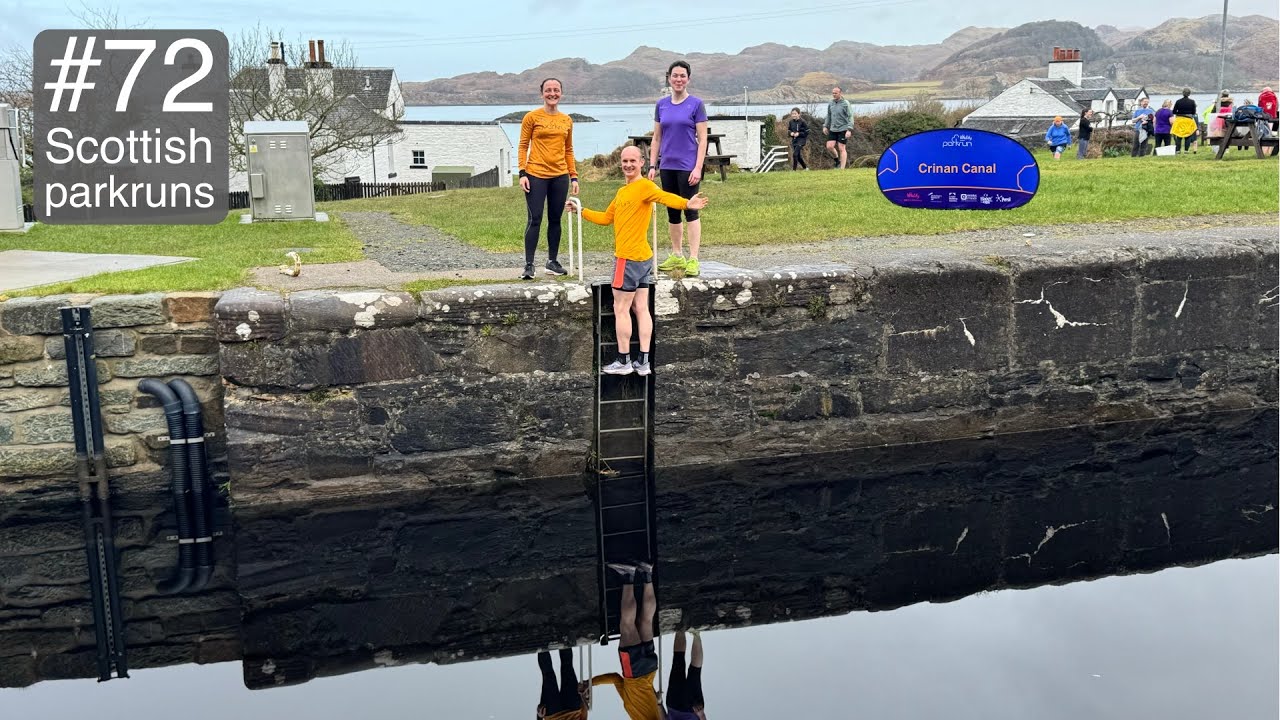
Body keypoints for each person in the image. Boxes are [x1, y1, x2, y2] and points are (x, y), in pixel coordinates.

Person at [569, 147, 708, 376]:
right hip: (644, 258)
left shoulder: (644, 186)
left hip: (628, 258)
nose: (628, 165)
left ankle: (624, 360)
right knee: (641, 308)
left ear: (642, 162)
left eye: (633, 160)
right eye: (625, 161)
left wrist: (686, 204)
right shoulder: (622, 192)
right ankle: (643, 362)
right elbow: (606, 218)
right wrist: (580, 210)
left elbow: (665, 197)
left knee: (621, 308)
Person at [649, 61, 708, 278]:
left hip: (688, 167)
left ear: (688, 79)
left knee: (690, 210)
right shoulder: (661, 105)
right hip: (667, 166)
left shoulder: (696, 104)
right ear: (669, 78)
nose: (679, 79)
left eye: (683, 76)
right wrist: (653, 165)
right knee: (672, 211)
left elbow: (703, 139)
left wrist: (698, 167)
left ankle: (693, 258)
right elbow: (656, 138)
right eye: (675, 76)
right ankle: (676, 254)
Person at [519, 78, 579, 280]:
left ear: (561, 92)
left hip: (560, 176)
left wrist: (574, 176)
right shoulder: (531, 117)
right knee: (535, 219)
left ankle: (552, 262)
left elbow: (568, 149)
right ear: (542, 93)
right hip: (535, 175)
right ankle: (529, 265)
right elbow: (522, 146)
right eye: (548, 90)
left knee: (555, 220)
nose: (552, 93)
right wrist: (522, 173)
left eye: (556, 90)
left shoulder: (566, 120)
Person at [591, 561, 662, 720]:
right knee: (627, 626)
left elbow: (616, 679)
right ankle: (628, 575)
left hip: (650, 670)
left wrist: (591, 683)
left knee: (645, 622)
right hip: (635, 673)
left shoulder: (634, 710)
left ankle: (647, 574)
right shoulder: (637, 715)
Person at [536, 648, 590, 720]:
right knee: (567, 667)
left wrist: (539, 717)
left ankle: (541, 642)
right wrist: (584, 698)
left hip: (554, 715)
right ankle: (564, 638)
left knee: (549, 676)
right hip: (573, 710)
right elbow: (583, 717)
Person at [664, 630, 706, 720]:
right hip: (685, 709)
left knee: (689, 669)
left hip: (677, 707)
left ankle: (686, 631)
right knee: (683, 665)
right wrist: (701, 715)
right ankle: (685, 630)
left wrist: (659, 704)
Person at [821, 86, 854, 169]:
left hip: (843, 128)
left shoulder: (845, 103)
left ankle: (842, 169)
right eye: (833, 93)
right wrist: (825, 126)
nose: (834, 94)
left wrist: (849, 129)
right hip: (833, 128)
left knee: (841, 148)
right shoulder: (831, 103)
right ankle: (836, 160)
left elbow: (850, 116)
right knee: (829, 146)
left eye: (835, 93)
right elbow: (828, 115)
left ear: (840, 93)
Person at [1171, 88, 1198, 154]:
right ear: (1189, 94)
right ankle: (1186, 150)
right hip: (1188, 120)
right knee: (1188, 136)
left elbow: (1174, 111)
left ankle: (1178, 150)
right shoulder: (1192, 101)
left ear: (1182, 93)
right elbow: (1194, 112)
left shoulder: (1178, 101)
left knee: (1179, 136)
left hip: (1179, 119)